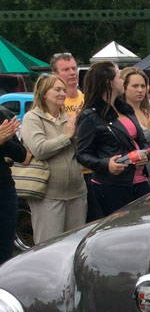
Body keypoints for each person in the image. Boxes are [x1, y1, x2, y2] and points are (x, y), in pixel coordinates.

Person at [76, 62, 150, 216]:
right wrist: (105, 164)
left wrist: (145, 155)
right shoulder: (90, 116)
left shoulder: (126, 109)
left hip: (140, 180)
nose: (122, 81)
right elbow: (82, 154)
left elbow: (143, 142)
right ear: (109, 83)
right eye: (119, 77)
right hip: (112, 186)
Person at [21, 75, 88, 243]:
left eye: (64, 90)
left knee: (74, 245)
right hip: (48, 195)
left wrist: (79, 132)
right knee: (48, 247)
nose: (62, 93)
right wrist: (67, 136)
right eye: (57, 89)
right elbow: (40, 149)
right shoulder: (32, 118)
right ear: (44, 93)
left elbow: (79, 151)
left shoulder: (68, 118)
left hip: (77, 192)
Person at [50, 51, 102, 222]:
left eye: (74, 68)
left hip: (93, 169)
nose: (72, 73)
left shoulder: (87, 99)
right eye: (65, 70)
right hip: (69, 173)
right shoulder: (55, 103)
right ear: (55, 75)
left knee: (97, 220)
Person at [0, 110, 26, 263]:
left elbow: (21, 156)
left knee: (5, 250)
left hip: (5, 191)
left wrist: (7, 140)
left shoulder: (1, 117)